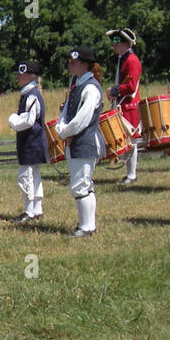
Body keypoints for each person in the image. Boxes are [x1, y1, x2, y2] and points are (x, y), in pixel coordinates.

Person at [55, 46, 102, 237]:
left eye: (73, 62)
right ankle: (87, 224)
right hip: (75, 140)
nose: (70, 64)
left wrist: (66, 131)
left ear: (84, 64)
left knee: (81, 185)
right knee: (84, 185)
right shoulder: (77, 84)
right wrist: (62, 128)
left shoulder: (90, 87)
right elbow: (66, 112)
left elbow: (83, 118)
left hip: (84, 141)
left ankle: (86, 227)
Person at [7, 59, 47, 224]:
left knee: (25, 175)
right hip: (33, 141)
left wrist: (13, 120)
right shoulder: (29, 94)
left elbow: (29, 120)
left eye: (21, 73)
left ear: (30, 75)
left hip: (30, 141)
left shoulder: (31, 96)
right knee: (34, 175)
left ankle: (29, 210)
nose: (17, 76)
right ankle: (37, 209)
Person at [106, 28, 142, 184]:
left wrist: (114, 90)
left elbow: (131, 86)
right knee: (126, 141)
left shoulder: (132, 60)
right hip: (123, 104)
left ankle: (132, 175)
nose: (114, 47)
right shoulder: (123, 59)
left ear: (126, 44)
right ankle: (129, 173)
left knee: (131, 141)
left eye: (117, 43)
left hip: (130, 106)